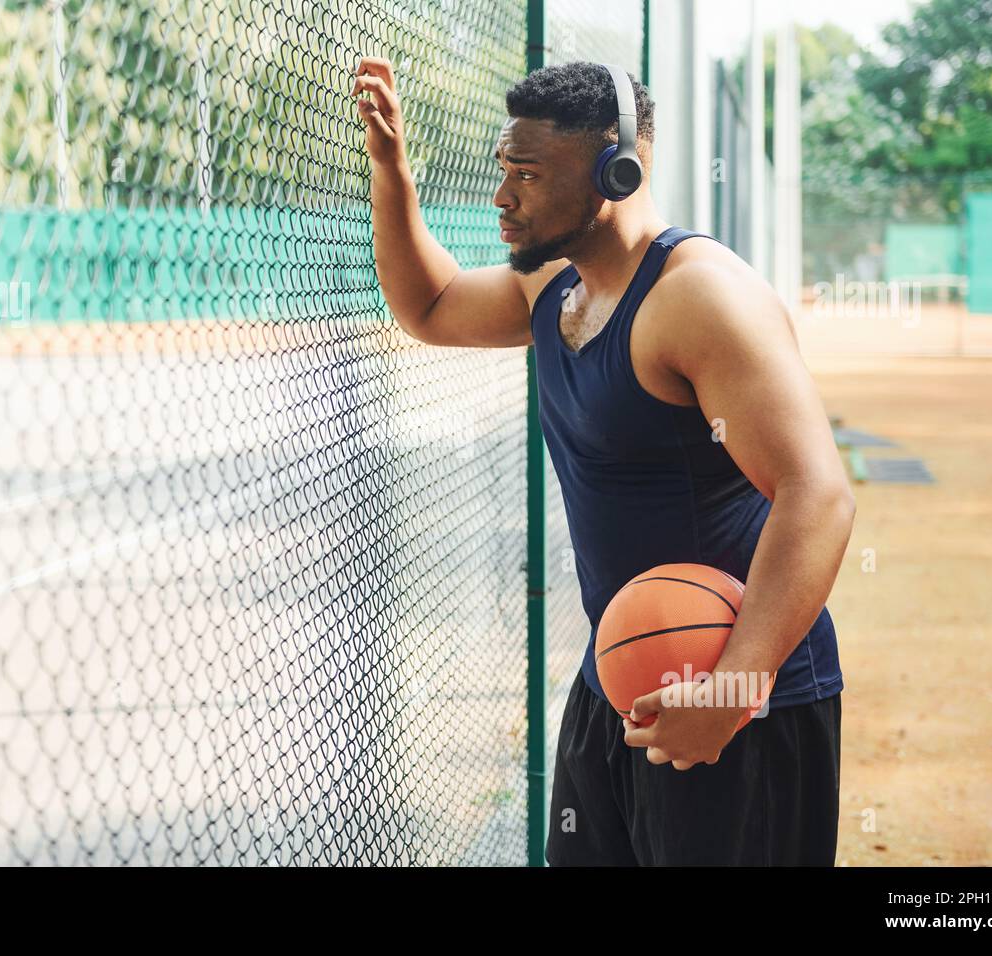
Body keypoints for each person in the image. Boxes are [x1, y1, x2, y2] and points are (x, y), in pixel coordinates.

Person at [352, 56, 852, 866]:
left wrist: (732, 688)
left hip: (740, 699)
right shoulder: (553, 285)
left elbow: (818, 496)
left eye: (529, 173)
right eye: (502, 168)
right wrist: (392, 172)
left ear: (617, 171)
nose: (502, 196)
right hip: (618, 675)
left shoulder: (700, 300)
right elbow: (431, 307)